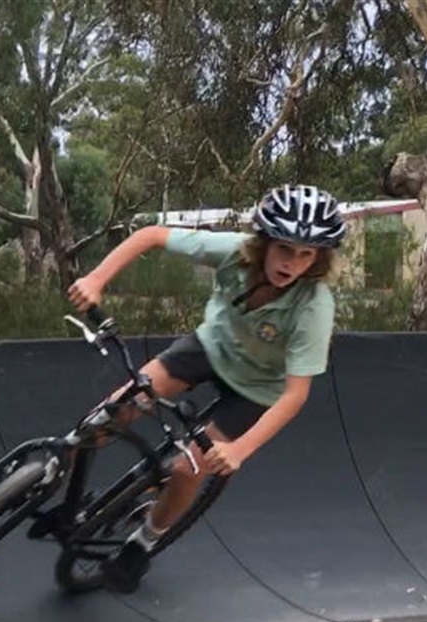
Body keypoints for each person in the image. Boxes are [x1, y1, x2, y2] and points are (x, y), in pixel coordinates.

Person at [67, 184, 345, 593]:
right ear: (264, 242)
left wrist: (239, 450)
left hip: (256, 390)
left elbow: (294, 395)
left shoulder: (314, 306)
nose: (293, 263)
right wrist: (96, 279)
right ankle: (56, 479)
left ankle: (143, 542)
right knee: (113, 411)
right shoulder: (234, 250)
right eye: (285, 249)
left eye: (307, 255)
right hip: (209, 348)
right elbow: (152, 236)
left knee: (187, 468)